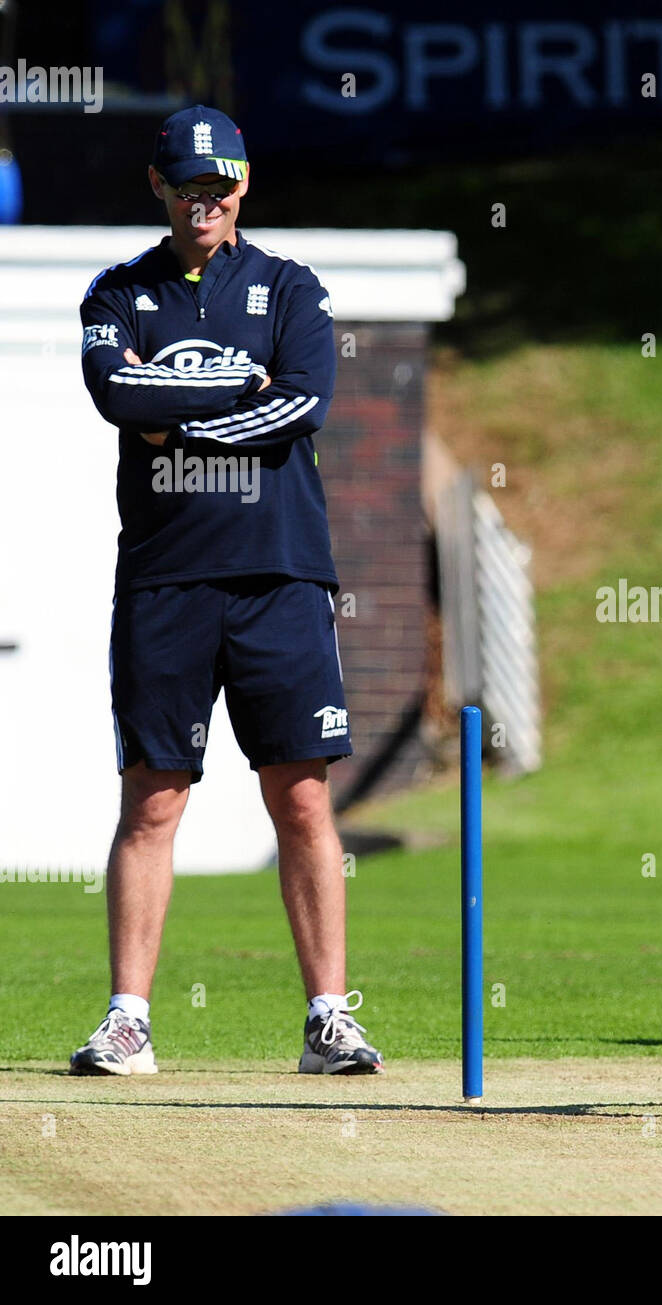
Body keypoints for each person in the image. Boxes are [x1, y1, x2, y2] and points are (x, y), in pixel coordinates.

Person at [71, 105, 383, 1076]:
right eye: (186, 186)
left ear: (242, 187)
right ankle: (128, 1020)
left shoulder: (291, 287)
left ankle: (329, 1019)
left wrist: (182, 420)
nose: (202, 203)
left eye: (219, 187)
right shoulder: (118, 292)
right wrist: (238, 389)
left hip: (279, 575)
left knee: (301, 798)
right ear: (158, 188)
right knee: (153, 799)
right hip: (164, 580)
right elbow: (116, 395)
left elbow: (304, 403)